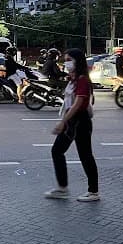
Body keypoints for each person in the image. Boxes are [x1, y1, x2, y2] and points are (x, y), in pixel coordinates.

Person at [44, 48, 99, 202]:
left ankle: (93, 192)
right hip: (72, 121)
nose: (66, 63)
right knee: (57, 151)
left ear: (77, 61)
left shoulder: (82, 80)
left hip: (80, 121)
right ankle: (62, 188)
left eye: (69, 60)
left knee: (85, 155)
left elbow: (77, 104)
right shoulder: (73, 79)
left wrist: (63, 121)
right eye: (65, 60)